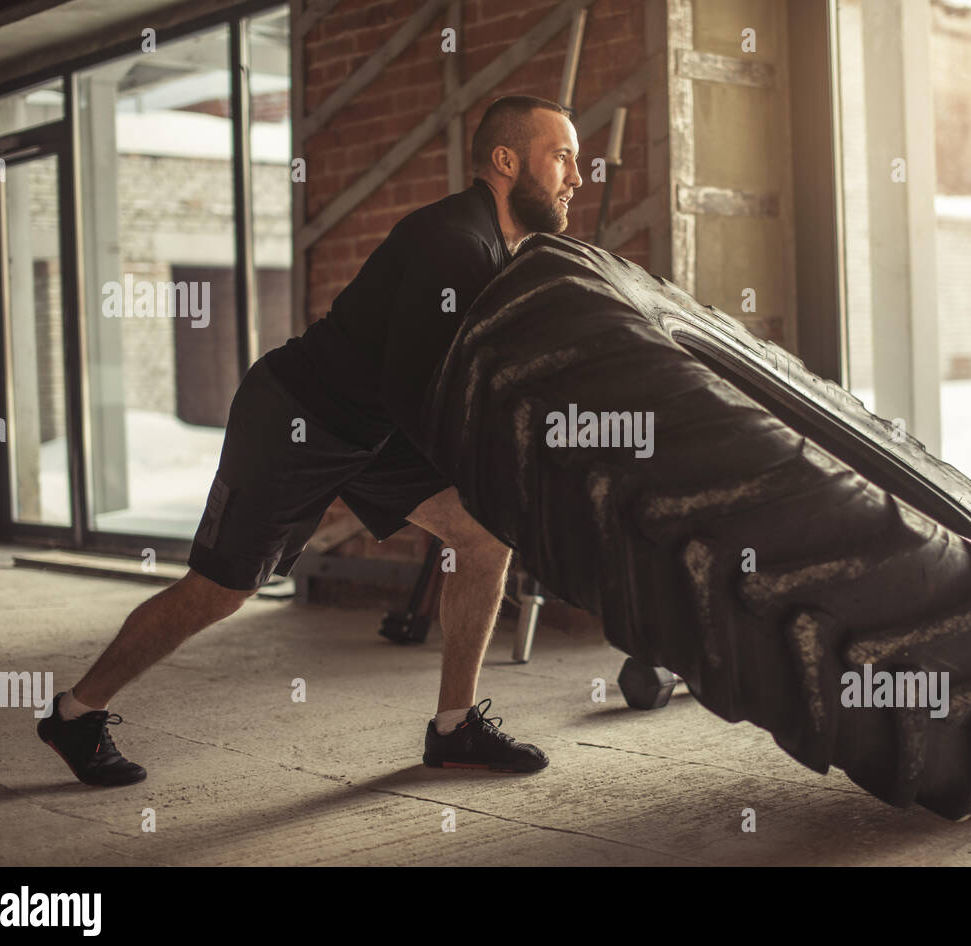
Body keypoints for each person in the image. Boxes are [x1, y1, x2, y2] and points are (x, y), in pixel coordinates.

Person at [37, 94, 584, 784]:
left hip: (372, 423)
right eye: (562, 155)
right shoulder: (457, 243)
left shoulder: (497, 247)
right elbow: (416, 390)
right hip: (295, 418)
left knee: (483, 535)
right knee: (220, 590)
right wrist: (491, 458)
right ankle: (75, 713)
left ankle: (453, 729)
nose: (576, 176)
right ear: (506, 161)